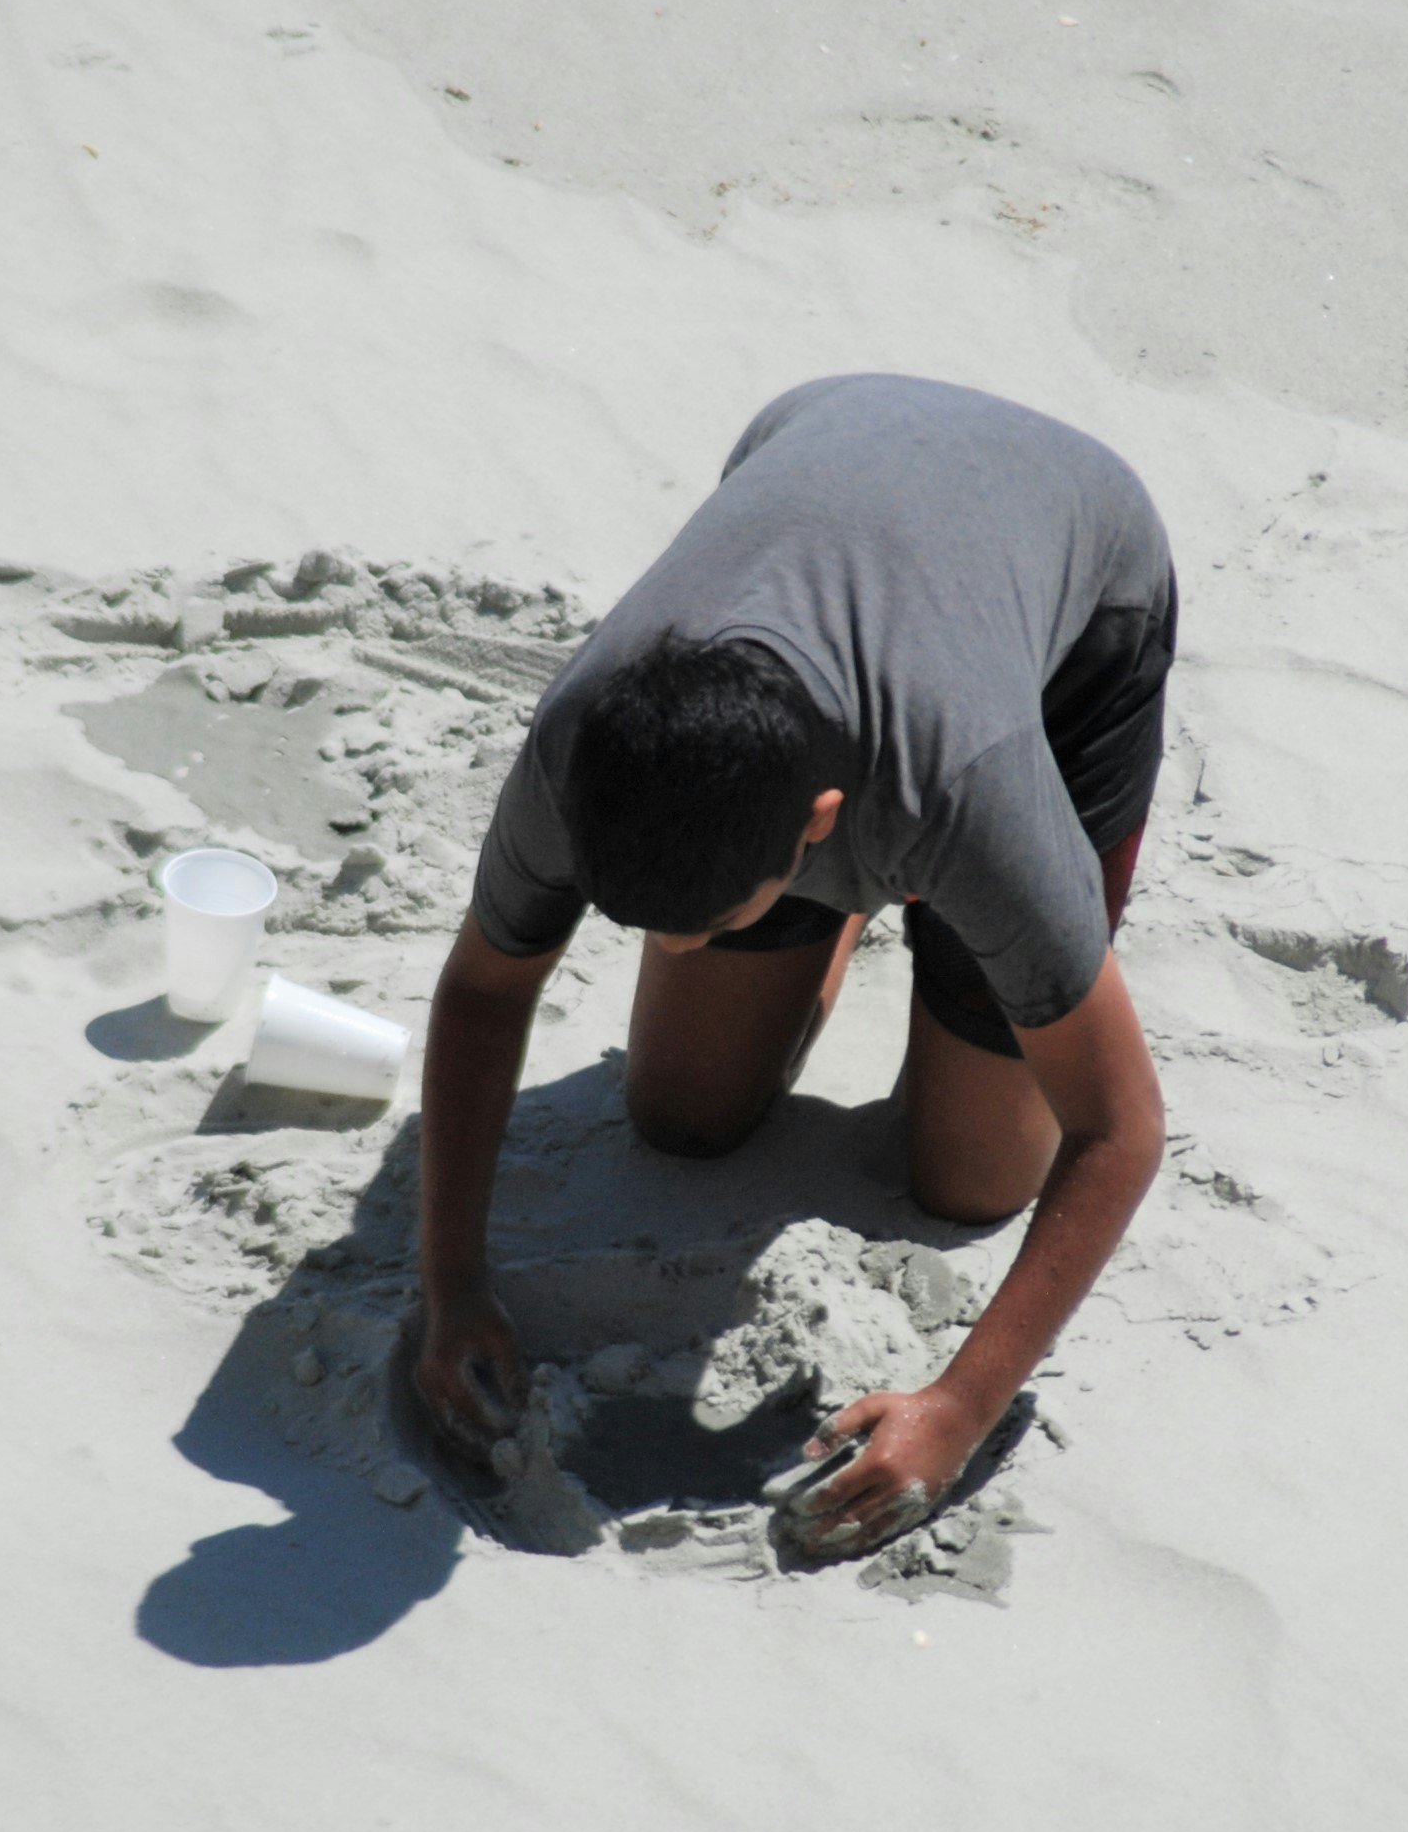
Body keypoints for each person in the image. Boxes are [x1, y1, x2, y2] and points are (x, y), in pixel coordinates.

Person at [410, 374, 1174, 1561]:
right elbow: (485, 984)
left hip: (1077, 601)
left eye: (701, 922)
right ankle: (830, 927)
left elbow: (1119, 1131)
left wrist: (959, 1412)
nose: (668, 951)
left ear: (821, 823)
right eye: (644, 925)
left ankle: (928, 930)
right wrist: (449, 1283)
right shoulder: (579, 748)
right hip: (820, 438)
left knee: (971, 1177)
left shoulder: (966, 790)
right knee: (679, 1112)